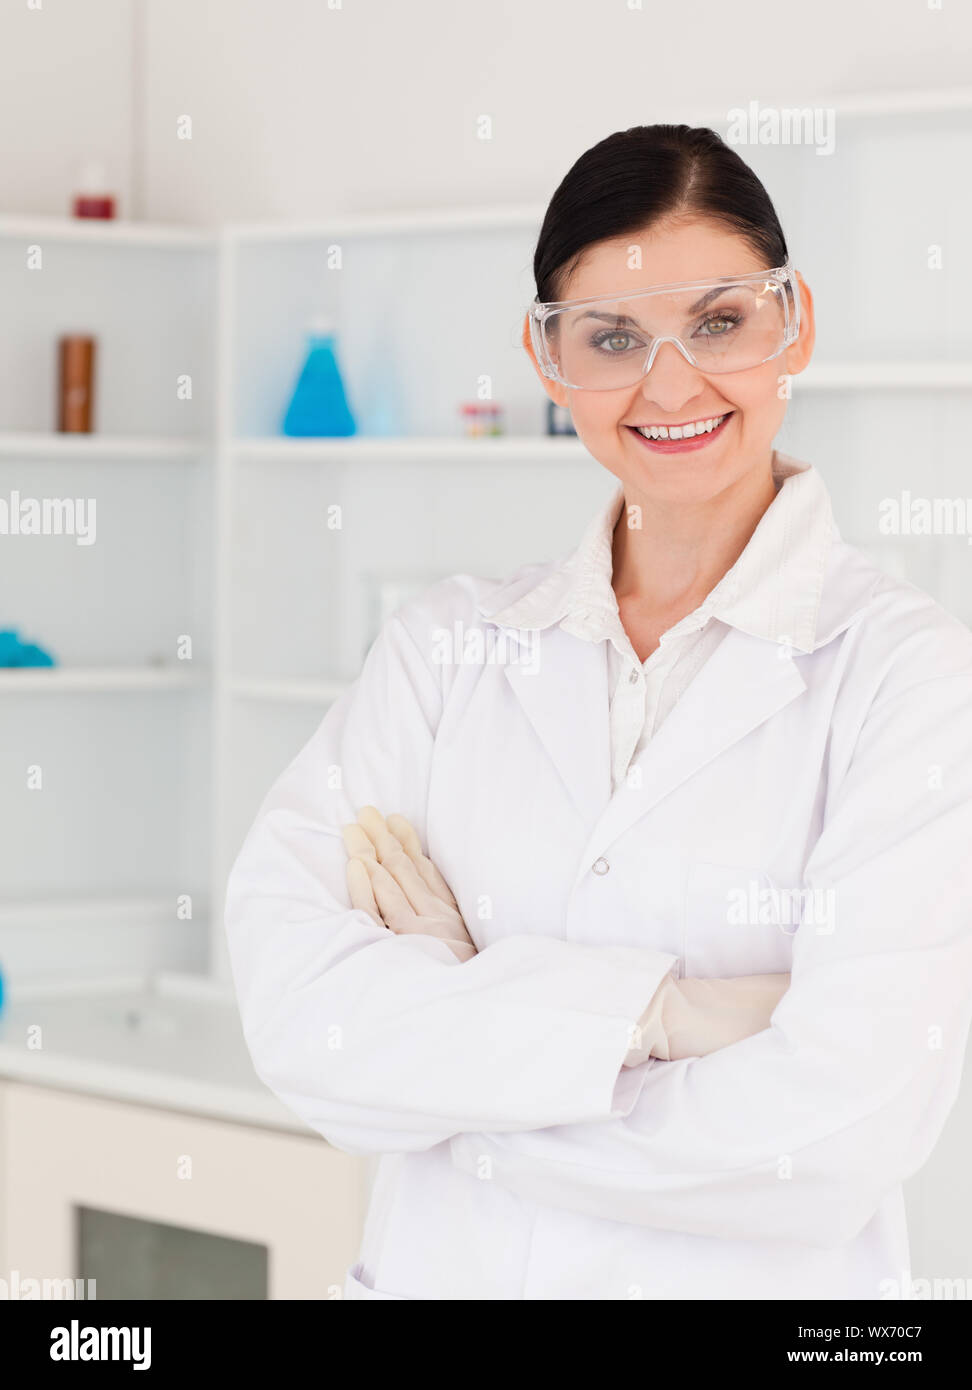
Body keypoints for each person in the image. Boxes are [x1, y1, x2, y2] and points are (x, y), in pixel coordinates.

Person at [224, 124, 972, 1300]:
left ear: (796, 324)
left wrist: (462, 1047)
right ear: (549, 358)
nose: (670, 384)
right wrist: (669, 1015)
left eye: (718, 321)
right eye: (614, 337)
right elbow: (303, 1027)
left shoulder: (906, 677)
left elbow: (832, 1143)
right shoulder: (442, 650)